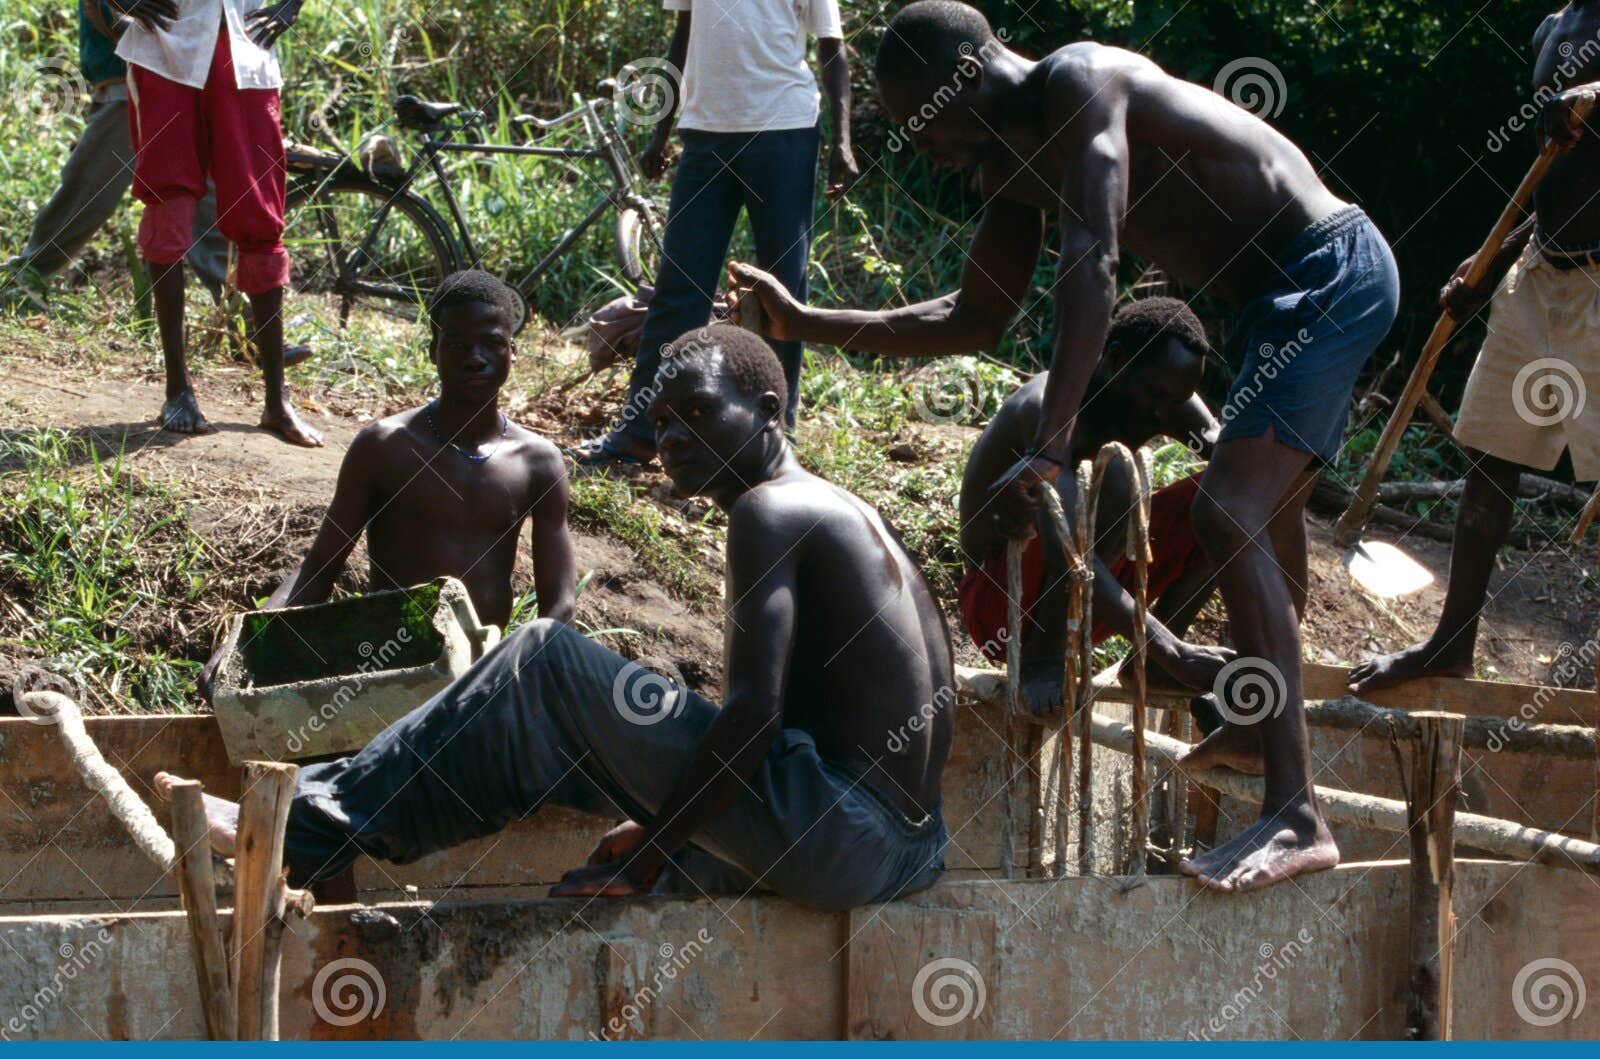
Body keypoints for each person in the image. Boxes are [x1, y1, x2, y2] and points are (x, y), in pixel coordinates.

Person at [731, 1, 1400, 892]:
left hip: (1327, 267)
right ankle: (1254, 716)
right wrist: (807, 320)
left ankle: (1297, 812)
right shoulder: (1013, 171)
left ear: (965, 76)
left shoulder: (1083, 84)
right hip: (1273, 300)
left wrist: (1052, 446)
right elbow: (971, 316)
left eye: (918, 116)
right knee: (1258, 510)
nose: (919, 145)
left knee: (1226, 508)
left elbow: (1096, 260)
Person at [163, 324, 954, 911]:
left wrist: (654, 854)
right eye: (663, 422)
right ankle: (327, 824)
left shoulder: (770, 512)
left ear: (768, 408)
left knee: (544, 656)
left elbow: (752, 716)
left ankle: (300, 823)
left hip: (848, 834)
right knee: (567, 716)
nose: (673, 439)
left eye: (699, 413)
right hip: (907, 848)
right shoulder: (837, 507)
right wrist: (663, 834)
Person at [1350, 4, 1600, 694]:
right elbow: (1555, 175)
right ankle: (1451, 644)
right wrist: (1491, 259)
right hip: (1541, 270)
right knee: (1492, 458)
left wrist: (1590, 100)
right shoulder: (1553, 28)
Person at [201, 271, 575, 693]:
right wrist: (245, 645)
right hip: (389, 671)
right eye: (456, 345)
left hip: (482, 674)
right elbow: (319, 570)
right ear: (432, 351)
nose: (475, 357)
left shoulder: (538, 463)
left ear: (513, 350)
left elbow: (558, 606)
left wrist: (514, 678)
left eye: (491, 342)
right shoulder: (386, 447)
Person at [572, 0, 859, 470]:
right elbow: (682, 38)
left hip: (784, 132)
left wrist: (843, 141)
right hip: (704, 133)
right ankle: (641, 433)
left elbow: (832, 49)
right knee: (678, 289)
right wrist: (660, 132)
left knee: (782, 292)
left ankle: (773, 441)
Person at [957, 298, 1231, 713]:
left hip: (1089, 595)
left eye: (1178, 400)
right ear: (1116, 361)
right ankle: (1042, 662)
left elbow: (1227, 453)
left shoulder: (1168, 394)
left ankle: (1150, 666)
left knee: (1230, 495)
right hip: (1006, 608)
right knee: (1114, 478)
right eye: (1155, 395)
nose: (1163, 414)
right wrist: (1171, 648)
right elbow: (1066, 550)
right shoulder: (1046, 408)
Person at [1, 2, 309, 367]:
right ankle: (23, 279)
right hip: (136, 59)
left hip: (199, 59)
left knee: (202, 202)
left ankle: (247, 327)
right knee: (92, 188)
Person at [109, 0, 320, 444]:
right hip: (166, 47)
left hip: (248, 51)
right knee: (168, 203)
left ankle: (276, 400)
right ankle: (177, 389)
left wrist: (293, 6)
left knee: (259, 214)